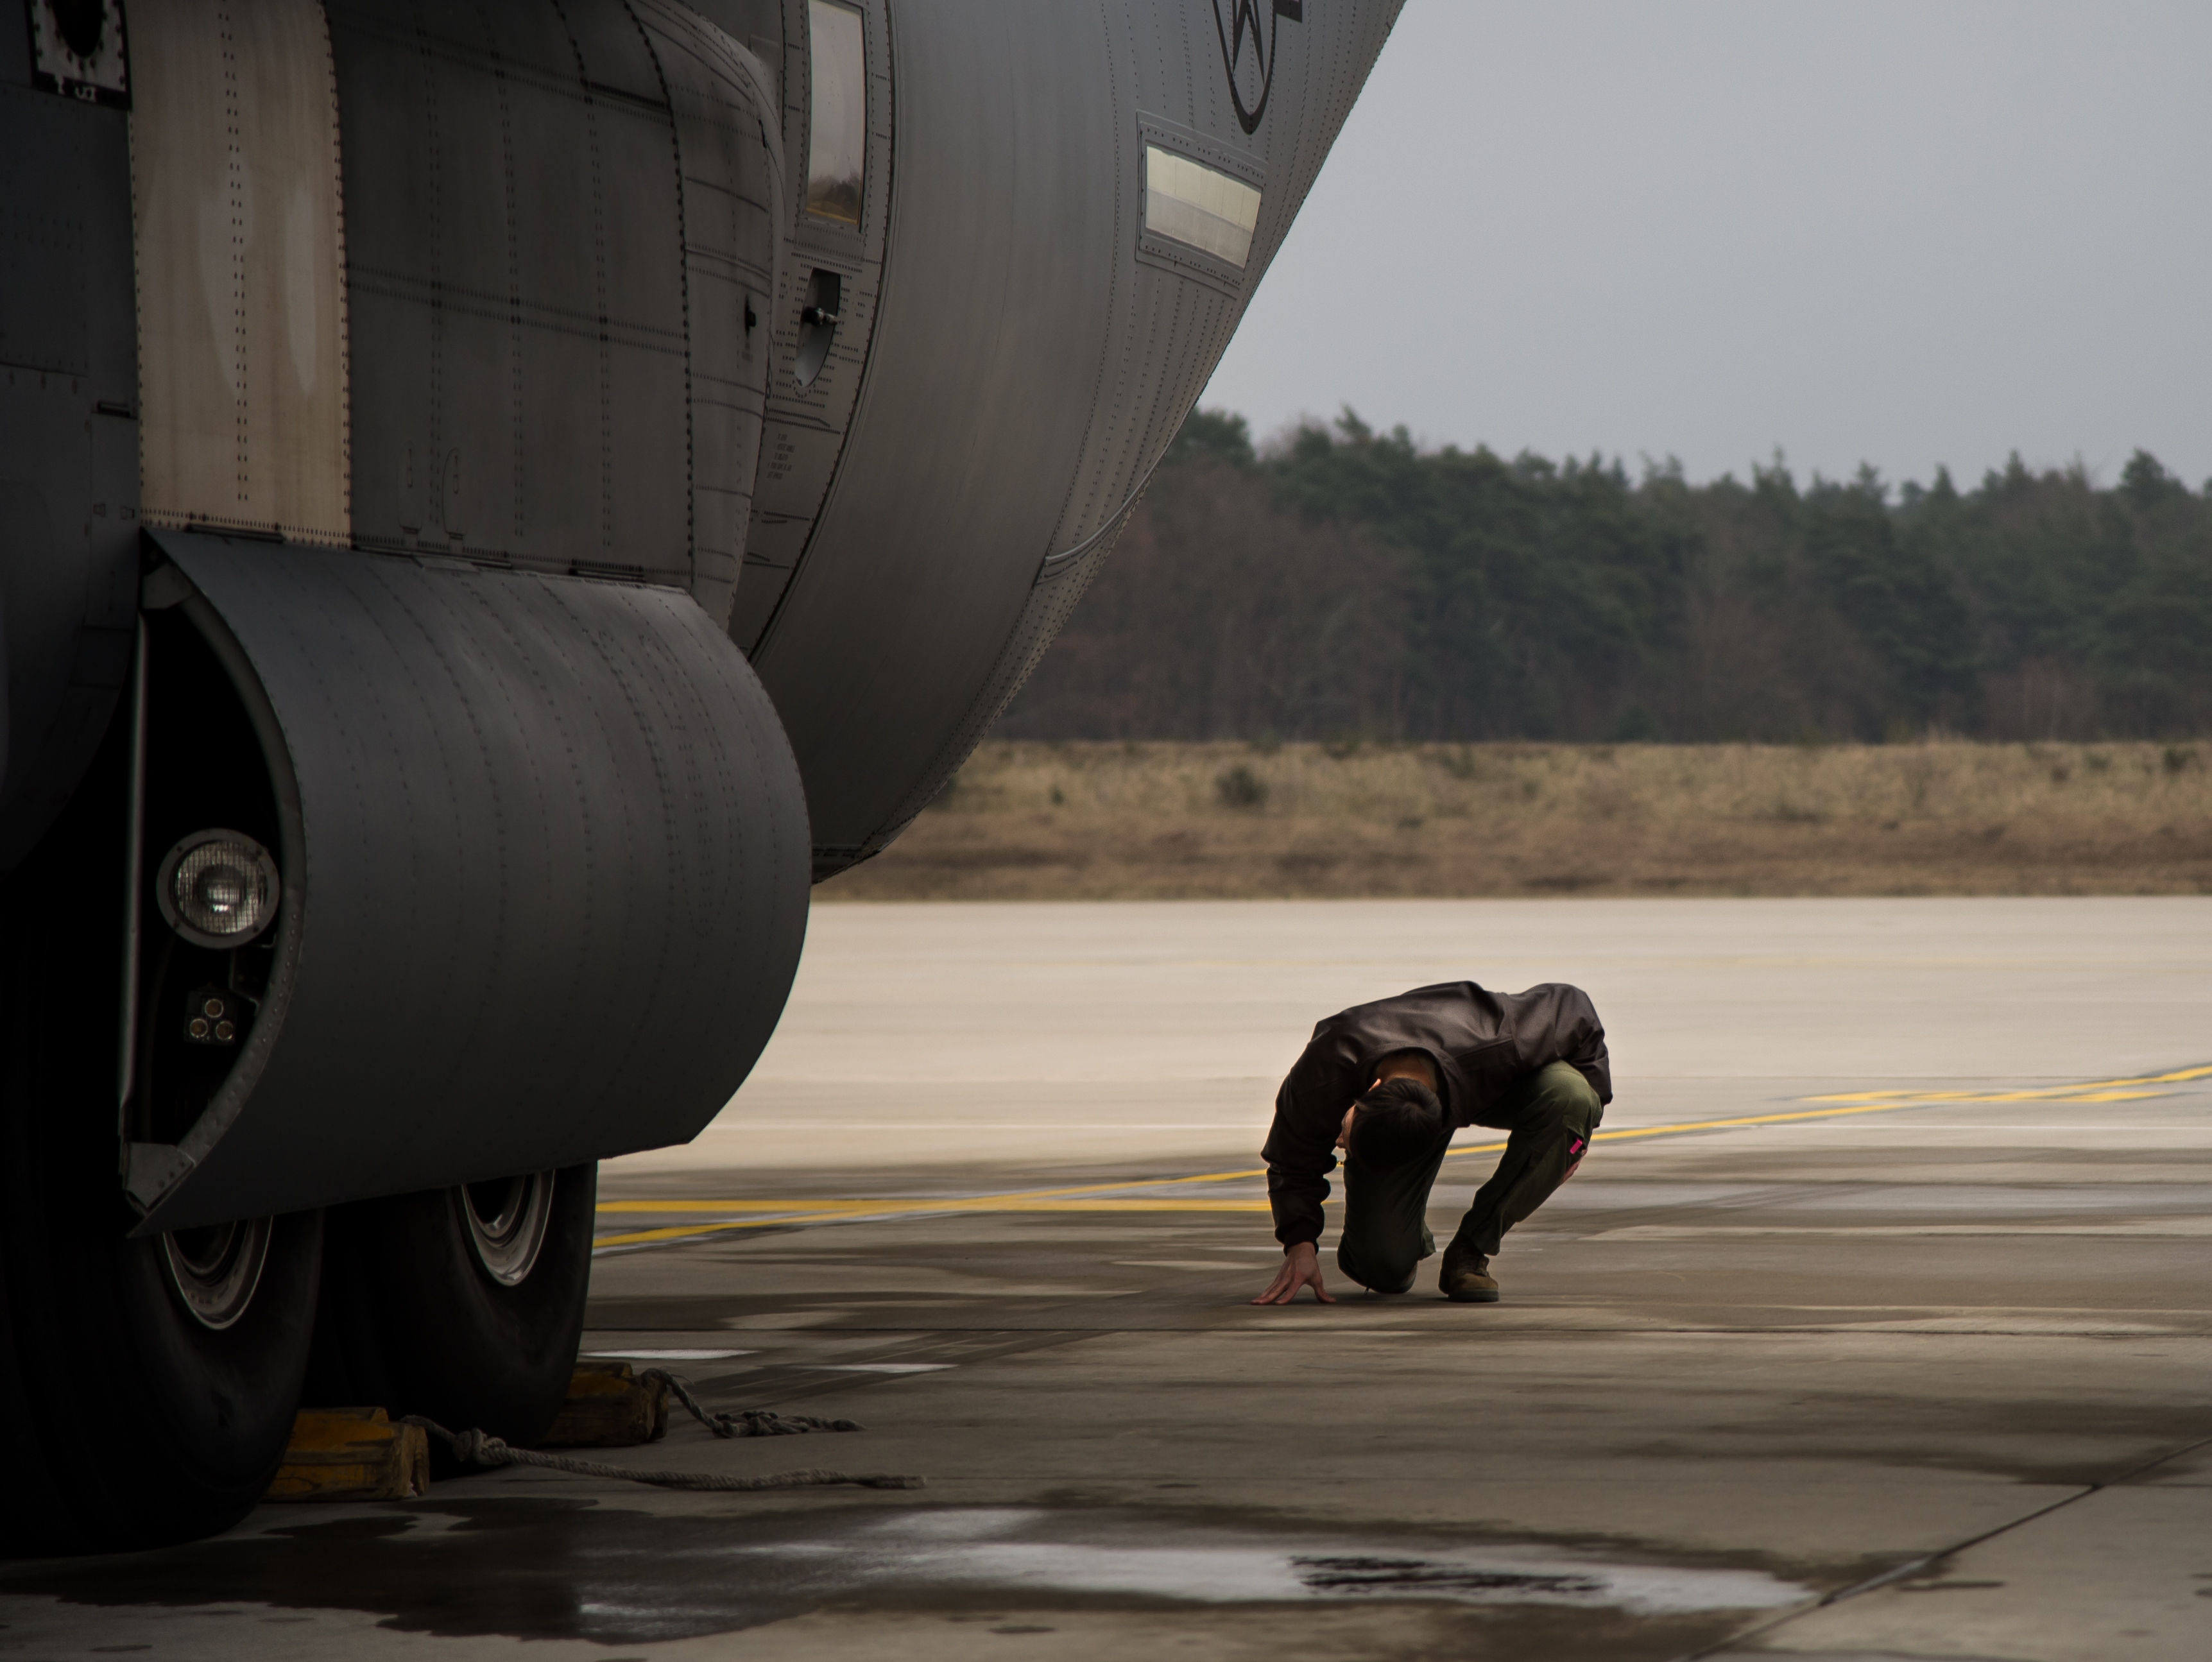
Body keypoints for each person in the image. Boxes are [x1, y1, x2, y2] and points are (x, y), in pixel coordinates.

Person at [1250, 981, 1611, 1305]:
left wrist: (1579, 1131)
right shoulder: (1325, 1069)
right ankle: (1406, 1238)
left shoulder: (1506, 1039)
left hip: (1487, 1072)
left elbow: (1574, 1006)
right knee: (1381, 1270)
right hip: (1424, 1082)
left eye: (1343, 1136)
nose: (1339, 1141)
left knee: (1573, 1098)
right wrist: (1300, 1244)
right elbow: (1289, 1158)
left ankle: (1471, 1250)